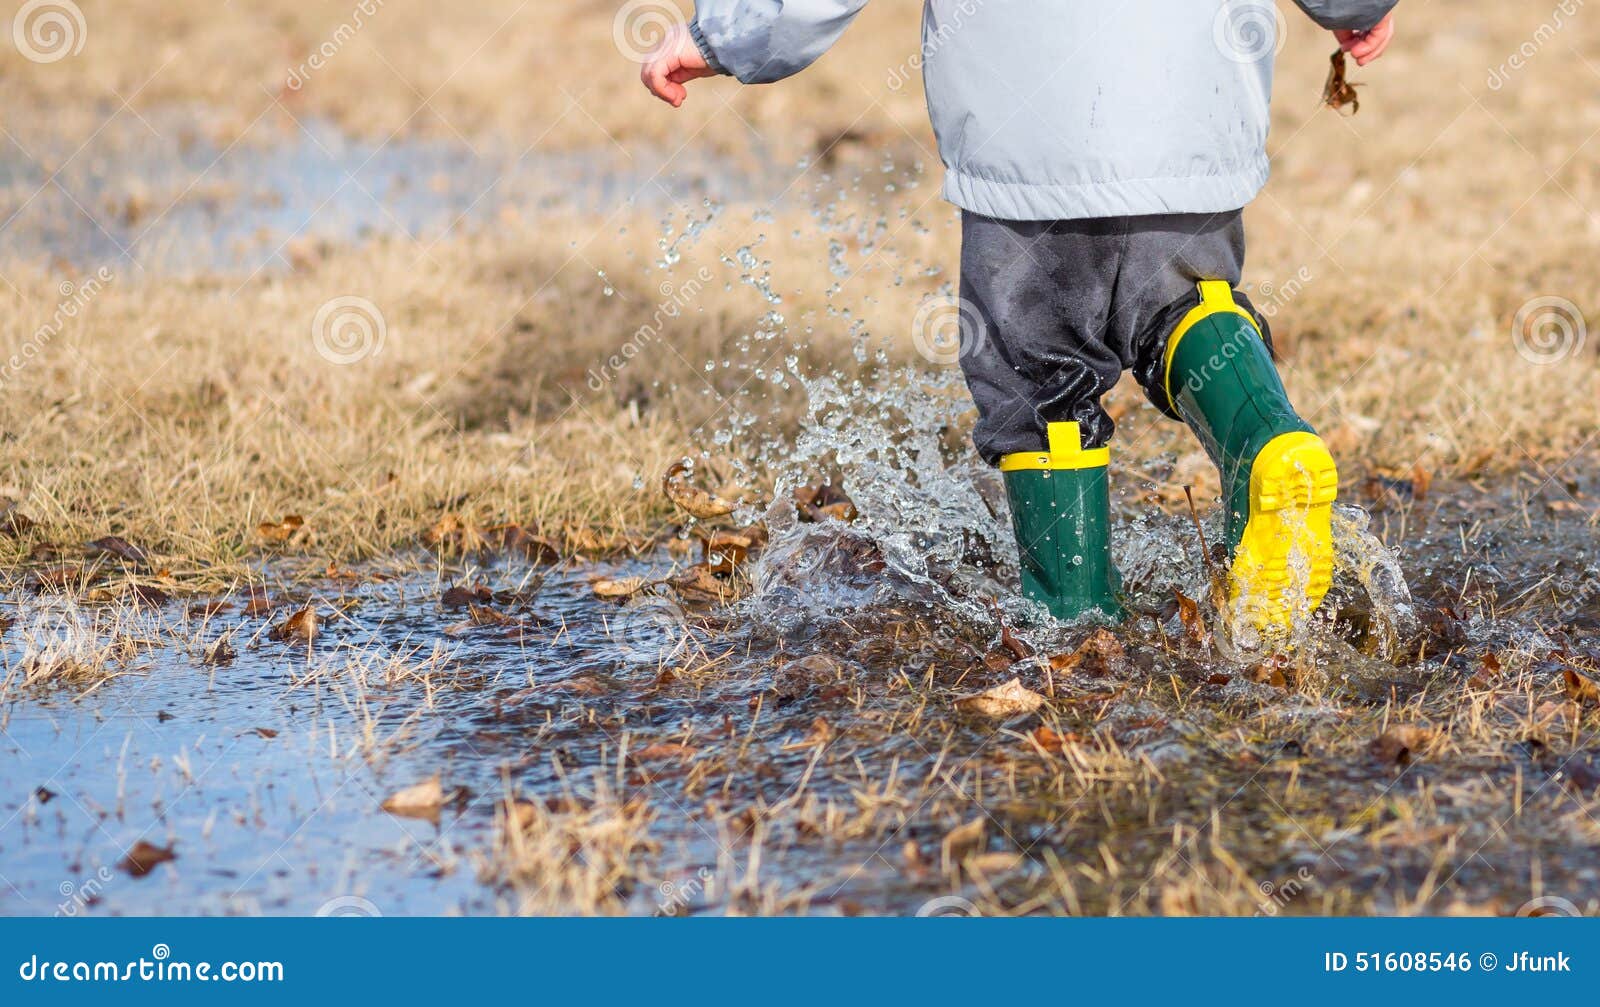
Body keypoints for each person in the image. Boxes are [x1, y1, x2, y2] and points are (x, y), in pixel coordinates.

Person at [639, 1, 1397, 639]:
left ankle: (1077, 626)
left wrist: (727, 34)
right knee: (1190, 302)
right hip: (1189, 115)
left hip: (1030, 143)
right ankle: (1265, 441)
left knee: (1037, 383)